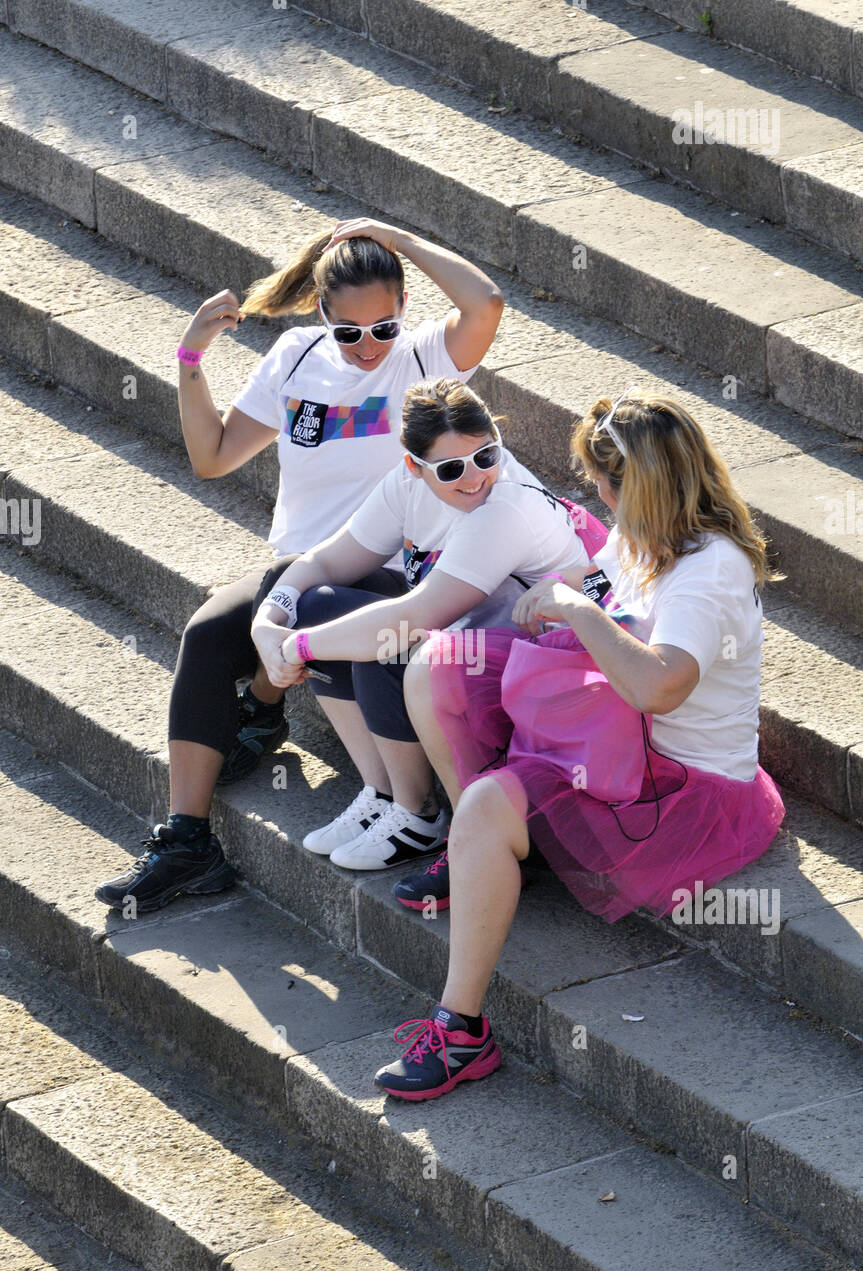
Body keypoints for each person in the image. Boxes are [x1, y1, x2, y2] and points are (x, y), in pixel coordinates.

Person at [374, 388, 787, 1101]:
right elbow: (618, 615)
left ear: (629, 482)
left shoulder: (706, 573)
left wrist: (574, 610)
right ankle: (493, 857)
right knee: (441, 665)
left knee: (481, 805)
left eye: (596, 480)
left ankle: (462, 1032)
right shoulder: (650, 536)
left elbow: (659, 687)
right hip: (620, 741)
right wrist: (571, 600)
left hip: (681, 793)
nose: (591, 492)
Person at [95, 220, 503, 913]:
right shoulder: (295, 355)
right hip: (303, 564)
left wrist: (392, 238)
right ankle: (186, 840)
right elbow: (212, 457)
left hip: (392, 571)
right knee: (203, 633)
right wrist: (190, 360)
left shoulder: (424, 357)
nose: (370, 346)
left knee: (307, 610)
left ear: (403, 308)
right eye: (350, 332)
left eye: (384, 326)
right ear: (322, 316)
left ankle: (268, 706)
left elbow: (485, 303)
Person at [249, 377, 592, 872]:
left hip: (524, 666)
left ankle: (420, 815)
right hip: (456, 643)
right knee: (309, 596)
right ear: (414, 466)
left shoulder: (506, 508)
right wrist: (268, 621)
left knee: (387, 640)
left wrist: (296, 647)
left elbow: (414, 617)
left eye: (486, 456)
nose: (474, 478)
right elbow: (324, 562)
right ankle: (382, 792)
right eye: (451, 468)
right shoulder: (405, 485)